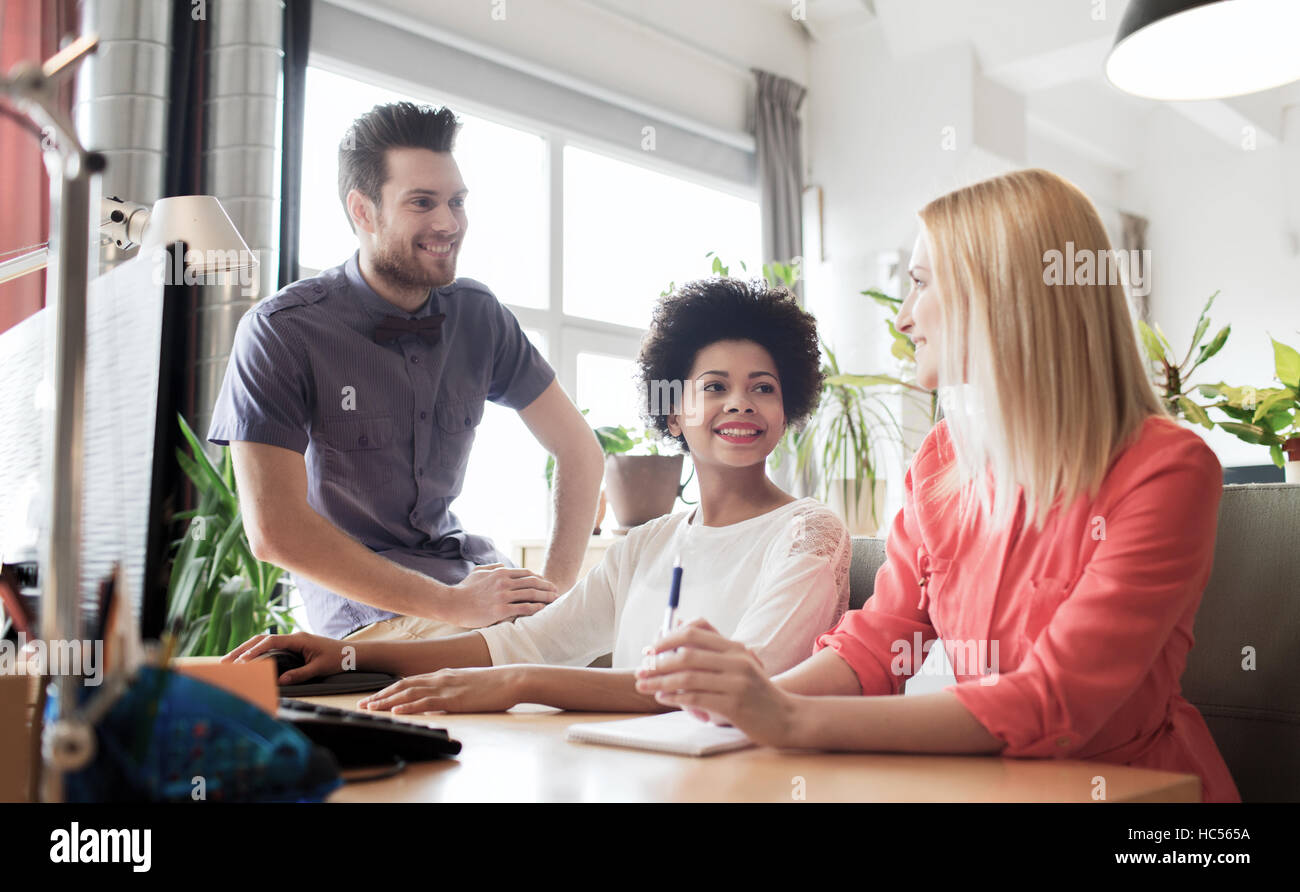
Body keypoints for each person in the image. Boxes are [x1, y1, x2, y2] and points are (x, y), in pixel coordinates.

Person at [635, 169, 1241, 803]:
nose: (902, 319)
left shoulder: (1166, 469)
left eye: (920, 285)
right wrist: (747, 700)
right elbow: (876, 645)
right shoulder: (942, 460)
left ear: (999, 295)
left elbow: (1054, 701)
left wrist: (786, 718)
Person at [225, 277, 852, 714]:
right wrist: (349, 652)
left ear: (787, 407)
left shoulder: (809, 533)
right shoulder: (647, 545)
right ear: (672, 413)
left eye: (763, 388)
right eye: (714, 386)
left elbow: (742, 684)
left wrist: (520, 684)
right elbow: (527, 641)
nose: (740, 401)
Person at [207, 102, 604, 642]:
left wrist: (554, 593)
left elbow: (580, 451)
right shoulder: (280, 331)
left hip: (470, 579)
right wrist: (452, 605)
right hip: (367, 611)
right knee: (513, 666)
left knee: (624, 646)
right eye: (422, 202)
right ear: (363, 212)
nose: (448, 223)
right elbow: (275, 532)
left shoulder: (479, 315)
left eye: (456, 202)